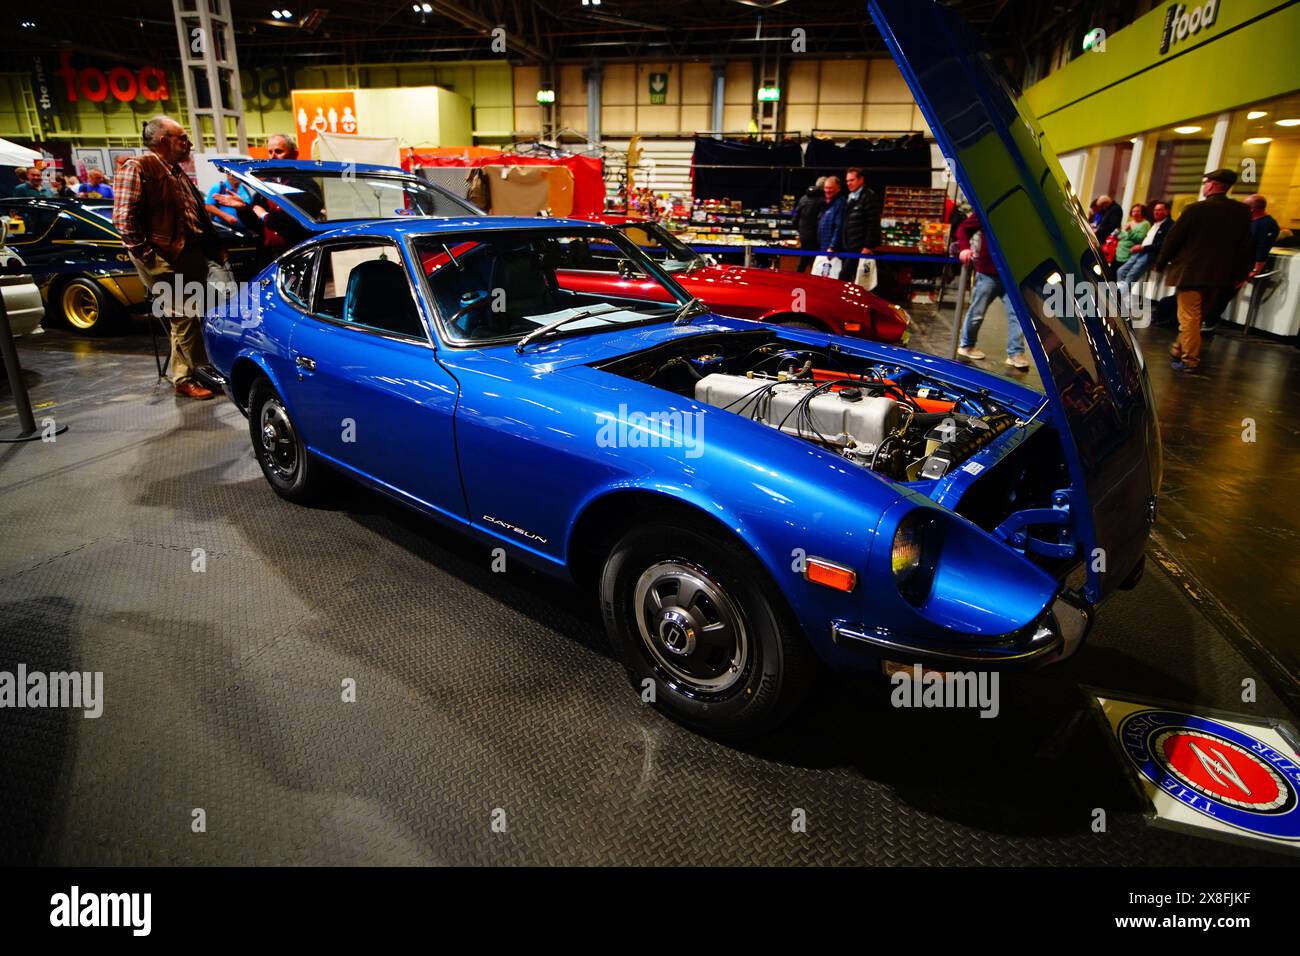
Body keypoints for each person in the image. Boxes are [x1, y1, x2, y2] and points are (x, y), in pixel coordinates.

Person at [113, 115, 232, 400]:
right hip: (163, 255)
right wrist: (149, 256)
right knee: (184, 315)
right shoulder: (139, 167)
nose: (189, 143)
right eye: (183, 137)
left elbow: (195, 216)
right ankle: (184, 378)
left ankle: (201, 370)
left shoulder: (175, 171)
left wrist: (213, 249)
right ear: (164, 141)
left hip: (187, 253)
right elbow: (123, 219)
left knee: (196, 312)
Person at [1154, 168, 1253, 372]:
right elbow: (1245, 245)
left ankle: (1189, 359)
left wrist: (1161, 262)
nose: (1205, 186)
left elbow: (1173, 239)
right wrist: (1241, 274)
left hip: (1191, 273)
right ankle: (1178, 347)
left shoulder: (1195, 209)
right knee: (1196, 317)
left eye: (1206, 183)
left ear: (1213, 185)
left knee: (1189, 317)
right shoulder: (1241, 211)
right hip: (1220, 276)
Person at [215, 133, 316, 267]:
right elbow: (257, 226)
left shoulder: (306, 184)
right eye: (270, 152)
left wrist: (265, 216)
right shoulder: (264, 186)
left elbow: (298, 220)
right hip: (269, 257)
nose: (273, 156)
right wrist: (244, 209)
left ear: (294, 154)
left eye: (279, 151)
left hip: (299, 254)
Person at [955, 213, 1028, 369]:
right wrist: (964, 248)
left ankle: (1015, 353)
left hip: (1012, 275)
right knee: (977, 312)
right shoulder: (988, 206)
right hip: (988, 273)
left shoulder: (1025, 212)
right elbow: (963, 228)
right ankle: (966, 345)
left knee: (1018, 316)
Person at [839, 166, 882, 283]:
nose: (848, 183)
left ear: (861, 180)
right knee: (849, 279)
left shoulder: (869, 197)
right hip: (849, 246)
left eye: (852, 180)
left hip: (860, 247)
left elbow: (873, 223)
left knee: (845, 277)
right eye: (847, 181)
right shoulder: (850, 197)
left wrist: (868, 246)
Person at [1116, 199, 1171, 285]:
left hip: (1148, 253)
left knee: (1131, 276)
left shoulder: (1168, 225)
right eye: (1155, 210)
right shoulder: (1155, 224)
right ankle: (1120, 293)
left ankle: (1120, 296)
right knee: (1121, 271)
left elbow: (1162, 243)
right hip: (1140, 251)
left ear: (1167, 211)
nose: (1156, 212)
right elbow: (1122, 235)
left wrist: (1142, 246)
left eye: (1159, 210)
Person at [792, 176, 825, 273]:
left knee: (803, 262)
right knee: (814, 263)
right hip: (816, 237)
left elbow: (795, 217)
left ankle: (798, 281)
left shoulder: (804, 198)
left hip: (804, 235)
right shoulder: (822, 201)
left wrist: (800, 230)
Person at [1244, 194, 1280, 278]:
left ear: (1251, 209)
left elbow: (1263, 247)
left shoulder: (1267, 224)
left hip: (1251, 268)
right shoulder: (1250, 222)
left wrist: (1255, 270)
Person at [815, 175, 846, 275]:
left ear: (838, 188)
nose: (827, 190)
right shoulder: (826, 203)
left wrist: (832, 247)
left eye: (830, 188)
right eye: (826, 188)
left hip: (833, 251)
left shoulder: (840, 203)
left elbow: (839, 226)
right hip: (823, 247)